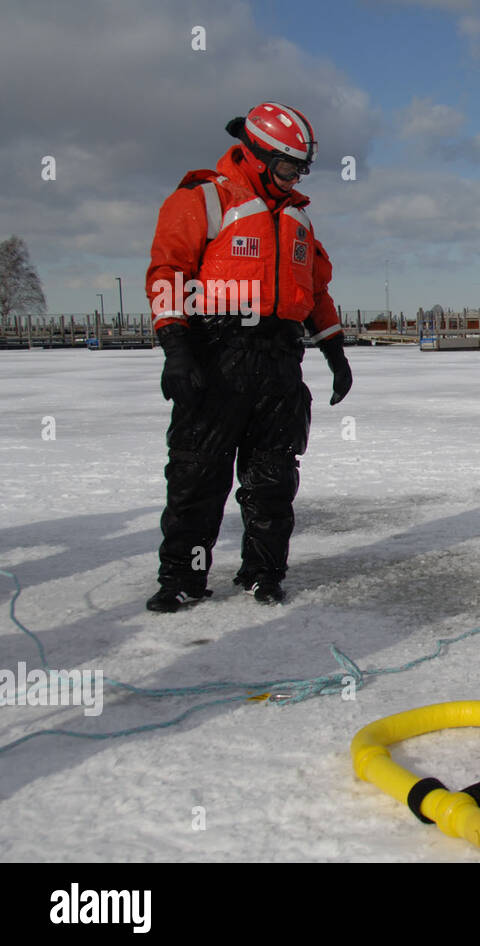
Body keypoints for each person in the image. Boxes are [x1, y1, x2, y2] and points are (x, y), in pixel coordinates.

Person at [145, 102, 352, 611]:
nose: (295, 177)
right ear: (258, 155)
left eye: (301, 169)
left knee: (273, 477)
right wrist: (176, 347)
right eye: (288, 167)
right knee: (198, 474)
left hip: (280, 358)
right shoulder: (204, 200)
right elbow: (167, 271)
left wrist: (333, 349)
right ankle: (183, 578)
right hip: (216, 353)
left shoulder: (298, 220)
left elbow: (315, 292)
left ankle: (263, 573)